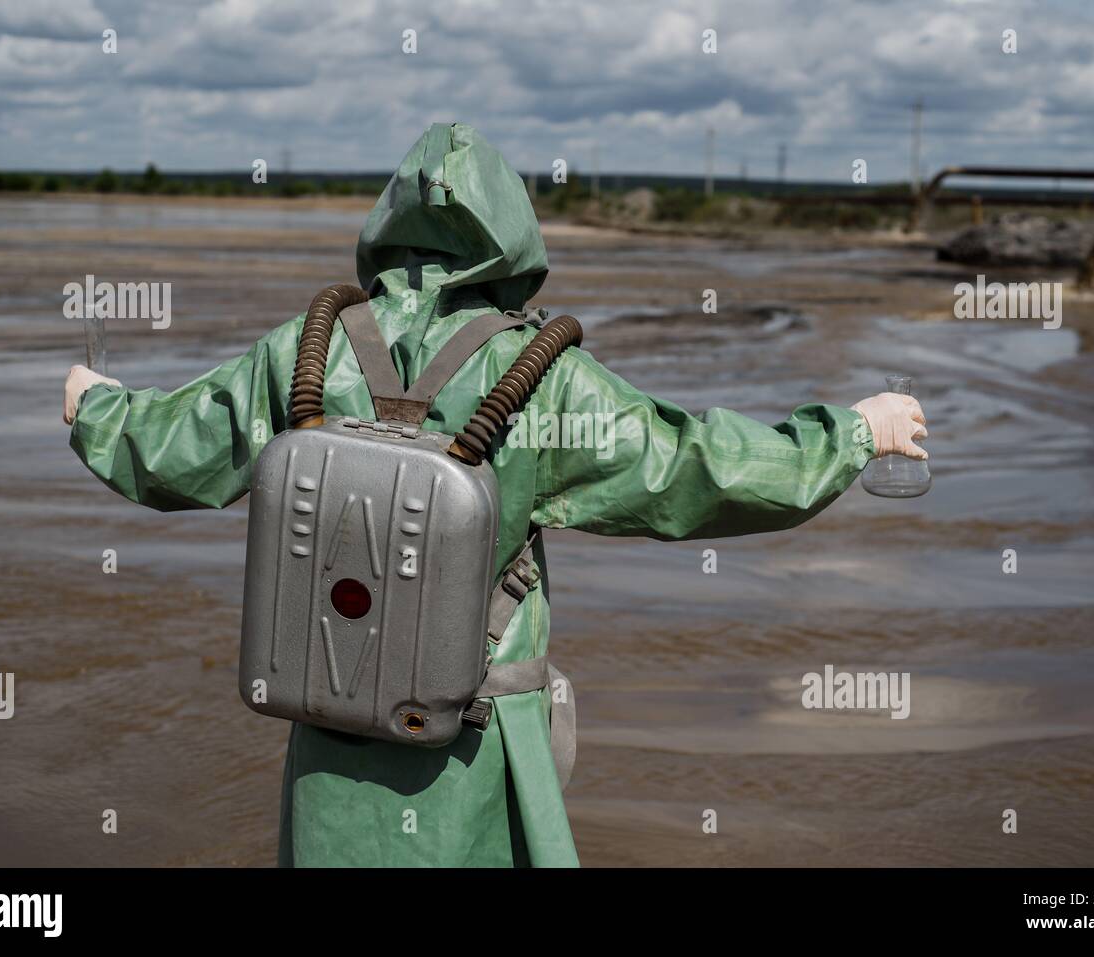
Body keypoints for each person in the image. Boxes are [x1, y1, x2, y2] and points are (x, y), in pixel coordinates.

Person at [63, 122, 927, 867]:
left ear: (387, 227)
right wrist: (853, 431)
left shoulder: (303, 350)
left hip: (333, 740)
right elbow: (697, 469)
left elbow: (173, 451)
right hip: (472, 742)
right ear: (511, 234)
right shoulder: (543, 375)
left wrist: (93, 406)